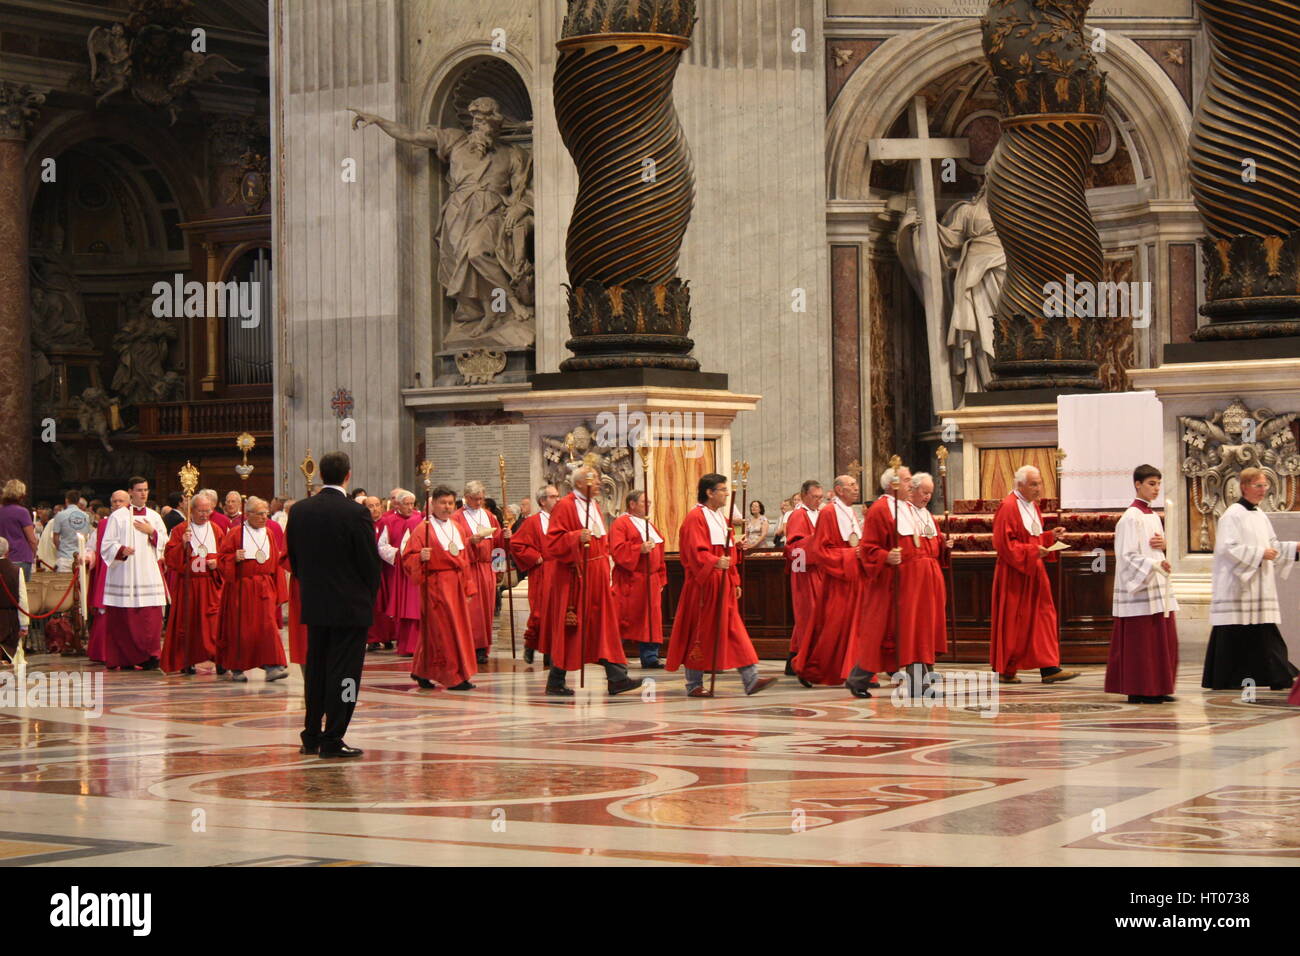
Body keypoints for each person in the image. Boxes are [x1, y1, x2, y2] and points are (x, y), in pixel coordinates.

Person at [285, 451, 382, 758]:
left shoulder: (300, 511)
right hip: (350, 607)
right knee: (347, 675)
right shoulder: (356, 512)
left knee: (315, 669)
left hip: (314, 603)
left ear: (321, 475)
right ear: (348, 476)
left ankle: (311, 734)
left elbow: (294, 559)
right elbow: (369, 562)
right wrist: (369, 594)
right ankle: (333, 737)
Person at [666, 473, 776, 698]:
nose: (727, 494)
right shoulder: (695, 517)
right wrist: (715, 561)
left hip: (723, 583)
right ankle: (694, 683)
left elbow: (728, 552)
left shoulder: (720, 517)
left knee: (733, 630)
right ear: (709, 492)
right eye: (723, 490)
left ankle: (751, 679)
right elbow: (693, 552)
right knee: (700, 632)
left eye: (727, 489)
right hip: (703, 584)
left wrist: (734, 578)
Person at [541, 466, 643, 696]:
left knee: (603, 626)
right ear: (579, 483)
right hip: (575, 576)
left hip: (596, 574)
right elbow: (552, 543)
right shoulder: (565, 506)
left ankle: (617, 677)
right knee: (572, 628)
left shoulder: (594, 505)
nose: (599, 482)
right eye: (594, 479)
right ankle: (556, 680)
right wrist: (575, 537)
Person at [1201, 466, 1299, 693]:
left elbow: (1272, 545)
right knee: (1238, 632)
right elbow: (1227, 548)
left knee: (1260, 632)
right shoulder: (1231, 515)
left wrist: (1294, 548)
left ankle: (1272, 675)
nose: (1263, 490)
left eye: (1265, 485)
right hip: (1238, 586)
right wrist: (1258, 554)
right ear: (1244, 487)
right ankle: (1271, 676)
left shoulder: (1260, 514)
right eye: (1259, 486)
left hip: (1257, 584)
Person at [857, 472, 949, 697]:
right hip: (898, 580)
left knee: (916, 632)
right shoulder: (880, 509)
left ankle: (919, 684)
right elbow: (868, 547)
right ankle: (858, 678)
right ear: (893, 484)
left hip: (919, 579)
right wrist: (885, 557)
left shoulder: (908, 509)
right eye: (908, 481)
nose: (912, 484)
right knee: (894, 633)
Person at [989, 465, 1079, 684]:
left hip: (1034, 572)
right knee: (1015, 622)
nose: (1039, 489)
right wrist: (1031, 550)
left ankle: (1049, 668)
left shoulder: (1032, 506)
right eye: (1034, 484)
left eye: (1039, 483)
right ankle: (1007, 669)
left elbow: (1033, 537)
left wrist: (1049, 537)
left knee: (1044, 617)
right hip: (1015, 575)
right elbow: (1003, 544)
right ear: (1020, 485)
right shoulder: (1008, 506)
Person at [1105, 464, 1179, 704]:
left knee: (1161, 638)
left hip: (1156, 584)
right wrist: (1153, 564)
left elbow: (1154, 548)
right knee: (1143, 641)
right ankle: (1140, 687)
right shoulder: (1130, 518)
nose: (1156, 488)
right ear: (1137, 484)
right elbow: (1126, 556)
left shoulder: (1153, 516)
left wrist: (1164, 553)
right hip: (1140, 588)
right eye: (1151, 484)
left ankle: (1158, 686)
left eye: (1158, 484)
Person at [401, 484, 478, 691]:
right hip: (436, 587)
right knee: (444, 632)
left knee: (444, 632)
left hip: (456, 585)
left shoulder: (458, 528)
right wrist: (420, 557)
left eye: (451, 503)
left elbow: (464, 559)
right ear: (432, 504)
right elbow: (407, 559)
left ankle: (421, 670)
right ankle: (453, 677)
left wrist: (468, 587)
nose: (447, 507)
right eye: (442, 503)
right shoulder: (423, 529)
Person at [795, 473, 868, 689]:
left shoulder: (851, 512)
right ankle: (813, 668)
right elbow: (820, 550)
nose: (856, 488)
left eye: (856, 484)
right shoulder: (829, 512)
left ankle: (854, 670)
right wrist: (850, 556)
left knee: (856, 627)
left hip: (855, 576)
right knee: (832, 628)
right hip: (838, 578)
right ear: (839, 490)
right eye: (851, 485)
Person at [215, 497, 288, 682]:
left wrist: (278, 590)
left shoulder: (269, 533)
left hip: (264, 587)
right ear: (248, 515)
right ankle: (237, 667)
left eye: (266, 513)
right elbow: (222, 560)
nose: (265, 517)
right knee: (242, 629)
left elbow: (275, 563)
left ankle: (272, 665)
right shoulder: (236, 533)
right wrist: (233, 558)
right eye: (260, 514)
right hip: (242, 588)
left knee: (268, 627)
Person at [99, 476, 168, 670]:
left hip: (148, 572)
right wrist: (121, 550)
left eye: (146, 490)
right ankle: (127, 657)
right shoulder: (118, 517)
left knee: (151, 618)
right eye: (139, 490)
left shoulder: (154, 517)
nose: (143, 493)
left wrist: (152, 532)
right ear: (130, 492)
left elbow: (165, 542)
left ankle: (151, 655)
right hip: (125, 572)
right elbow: (107, 545)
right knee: (125, 619)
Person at [160, 492, 223, 675]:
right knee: (188, 624)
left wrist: (217, 562)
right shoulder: (181, 530)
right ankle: (187, 660)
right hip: (188, 585)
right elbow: (170, 559)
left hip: (210, 584)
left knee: (213, 625)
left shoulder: (216, 529)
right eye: (201, 511)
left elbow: (225, 554)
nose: (204, 515)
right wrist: (182, 544)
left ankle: (219, 658)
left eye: (208, 511)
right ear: (192, 510)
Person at [610, 490, 668, 668]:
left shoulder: (649, 524)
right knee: (624, 618)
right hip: (630, 580)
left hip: (650, 581)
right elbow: (617, 550)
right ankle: (614, 657)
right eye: (644, 502)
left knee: (651, 620)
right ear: (632, 504)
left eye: (649, 502)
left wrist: (660, 577)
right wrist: (638, 549)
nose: (648, 504)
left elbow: (660, 552)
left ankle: (650, 656)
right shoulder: (621, 523)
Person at [455, 480, 506, 665]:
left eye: (481, 499)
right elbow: (455, 544)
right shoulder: (457, 518)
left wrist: (499, 568)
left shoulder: (489, 516)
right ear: (466, 497)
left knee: (487, 611)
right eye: (475, 499)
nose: (479, 503)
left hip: (487, 569)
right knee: (473, 611)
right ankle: (473, 647)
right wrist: (470, 541)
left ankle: (484, 647)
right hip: (470, 568)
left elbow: (498, 543)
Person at [509, 485, 558, 664]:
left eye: (558, 496)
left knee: (556, 614)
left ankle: (552, 654)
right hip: (542, 573)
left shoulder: (562, 520)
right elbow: (516, 544)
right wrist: (534, 556)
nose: (557, 500)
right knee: (540, 613)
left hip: (559, 573)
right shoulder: (532, 522)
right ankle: (531, 645)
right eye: (553, 497)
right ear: (542, 501)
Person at [782, 480, 824, 676]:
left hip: (818, 568)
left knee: (809, 617)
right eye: (815, 497)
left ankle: (793, 659)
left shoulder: (818, 513)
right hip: (805, 571)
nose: (818, 501)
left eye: (820, 497)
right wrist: (820, 547)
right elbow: (795, 546)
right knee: (808, 615)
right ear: (805, 495)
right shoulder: (799, 515)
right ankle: (805, 660)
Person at [376, 490, 423, 655]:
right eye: (406, 504)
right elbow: (382, 546)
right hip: (399, 572)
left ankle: (418, 644)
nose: (410, 507)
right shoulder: (388, 521)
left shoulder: (421, 519)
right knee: (404, 610)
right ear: (398, 504)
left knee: (417, 609)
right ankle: (404, 644)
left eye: (412, 504)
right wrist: (398, 554)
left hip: (418, 570)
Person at [86, 491, 128, 662]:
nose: (118, 504)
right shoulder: (103, 525)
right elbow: (92, 548)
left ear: (129, 503)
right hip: (108, 572)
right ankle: (103, 651)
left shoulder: (137, 522)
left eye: (121, 501)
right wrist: (87, 557)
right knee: (107, 611)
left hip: (128, 573)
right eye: (115, 501)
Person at [361, 496, 390, 651]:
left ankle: (387, 636)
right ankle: (373, 638)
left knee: (387, 604)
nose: (375, 509)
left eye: (377, 505)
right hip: (371, 570)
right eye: (371, 506)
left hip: (388, 569)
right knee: (374, 605)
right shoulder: (363, 524)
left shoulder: (388, 522)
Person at [0, 479, 38, 579]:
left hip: (3, 557)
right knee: (22, 591)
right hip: (21, 556)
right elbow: (31, 539)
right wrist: (34, 553)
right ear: (21, 495)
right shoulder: (22, 512)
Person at [0, 538, 28, 666]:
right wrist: (24, 624)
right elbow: (22, 600)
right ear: (7, 551)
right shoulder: (16, 571)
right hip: (10, 620)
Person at [49, 490, 92, 573]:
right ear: (78, 500)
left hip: (64, 556)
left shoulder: (60, 515)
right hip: (81, 556)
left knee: (62, 585)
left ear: (66, 500)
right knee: (80, 585)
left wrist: (61, 548)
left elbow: (55, 538)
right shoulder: (86, 516)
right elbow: (87, 536)